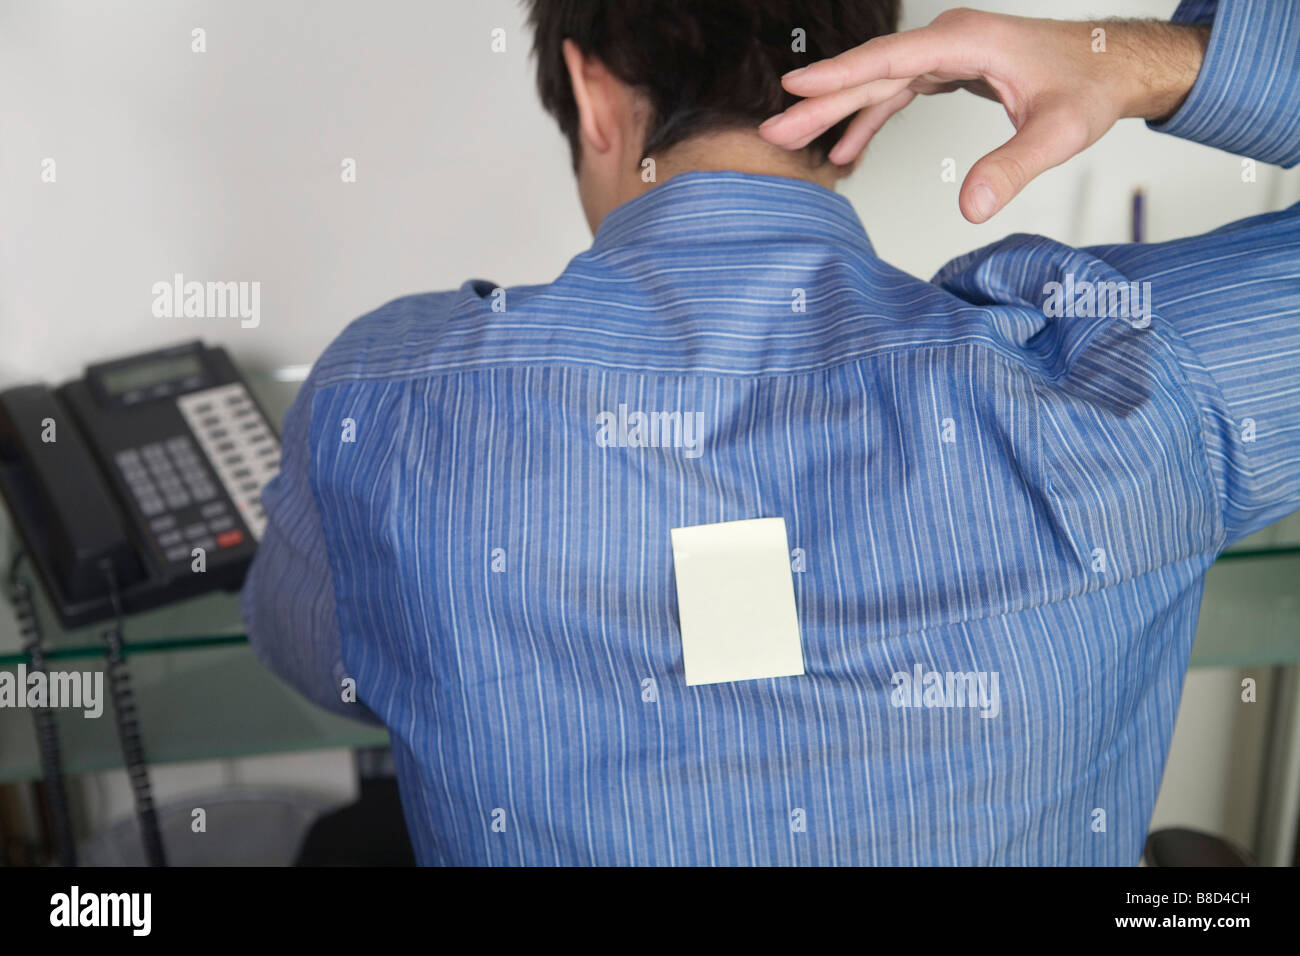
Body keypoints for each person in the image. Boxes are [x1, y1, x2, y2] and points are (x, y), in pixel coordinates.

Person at [242, 0, 1300, 865]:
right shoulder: (1120, 383)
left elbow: (312, 660)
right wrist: (1152, 59)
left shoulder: (386, 402)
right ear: (869, 85)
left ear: (589, 90)